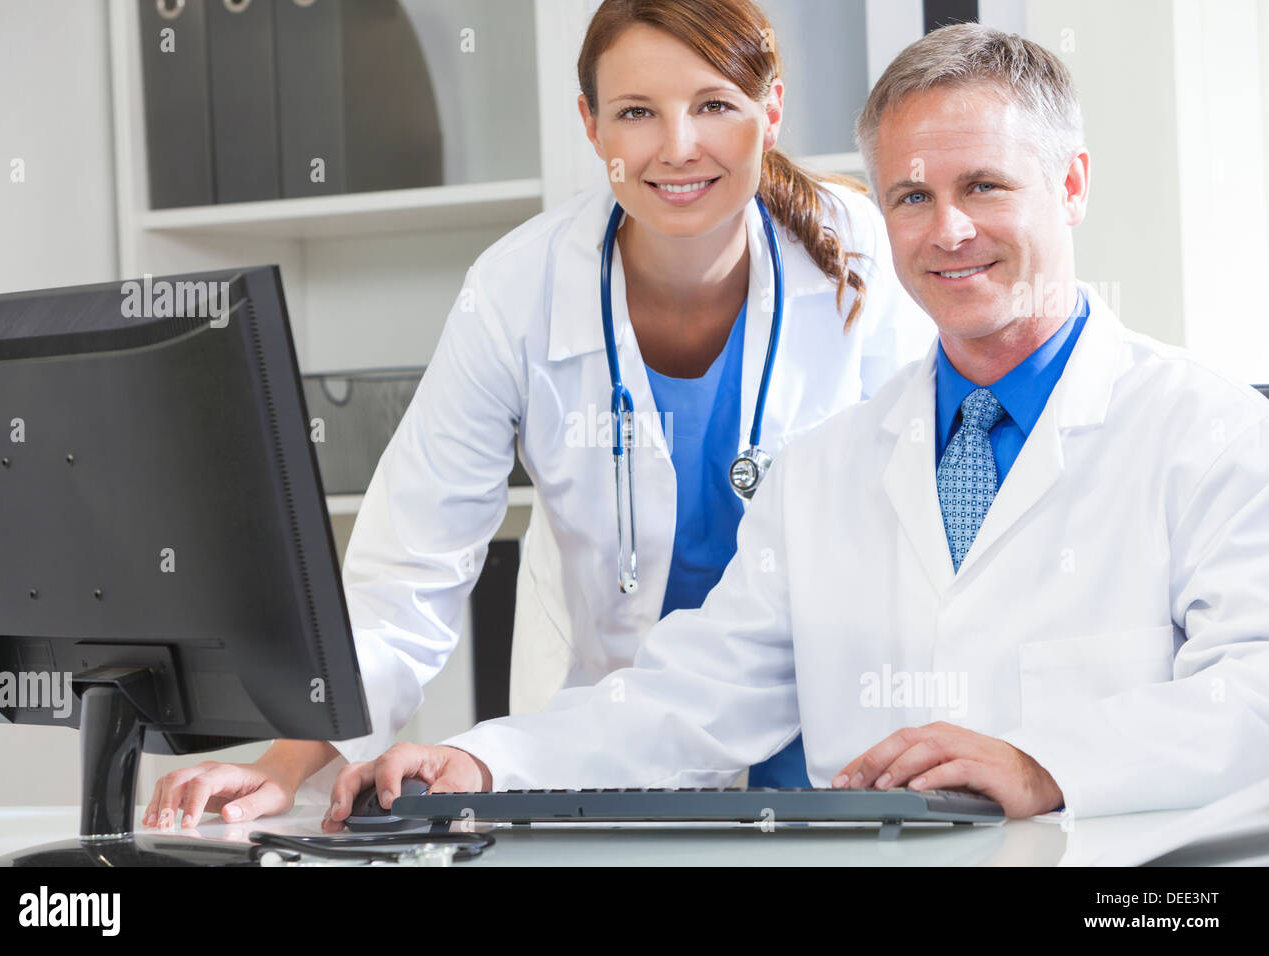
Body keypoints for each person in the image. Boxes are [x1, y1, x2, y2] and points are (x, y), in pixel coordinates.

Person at [324, 23, 1269, 824]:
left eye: (984, 185)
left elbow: (1257, 689)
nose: (947, 231)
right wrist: (487, 766)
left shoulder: (1211, 437)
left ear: (1071, 185)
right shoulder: (826, 473)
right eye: (911, 196)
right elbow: (691, 697)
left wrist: (1050, 765)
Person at [142, 0, 934, 830]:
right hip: (608, 755)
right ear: (591, 126)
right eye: (636, 112)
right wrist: (281, 764)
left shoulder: (870, 263)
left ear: (770, 111)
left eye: (713, 105)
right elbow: (408, 572)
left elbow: (931, 534)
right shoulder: (518, 290)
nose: (677, 147)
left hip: (833, 757)